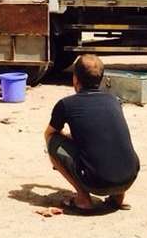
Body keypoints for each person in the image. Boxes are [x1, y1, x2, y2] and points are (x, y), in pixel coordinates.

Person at [44, 54, 139, 213]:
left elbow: (49, 135)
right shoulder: (114, 100)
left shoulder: (66, 105)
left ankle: (83, 198)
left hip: (96, 181)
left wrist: (67, 139)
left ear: (75, 79)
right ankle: (118, 196)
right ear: (101, 79)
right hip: (129, 176)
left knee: (53, 142)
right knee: (112, 141)